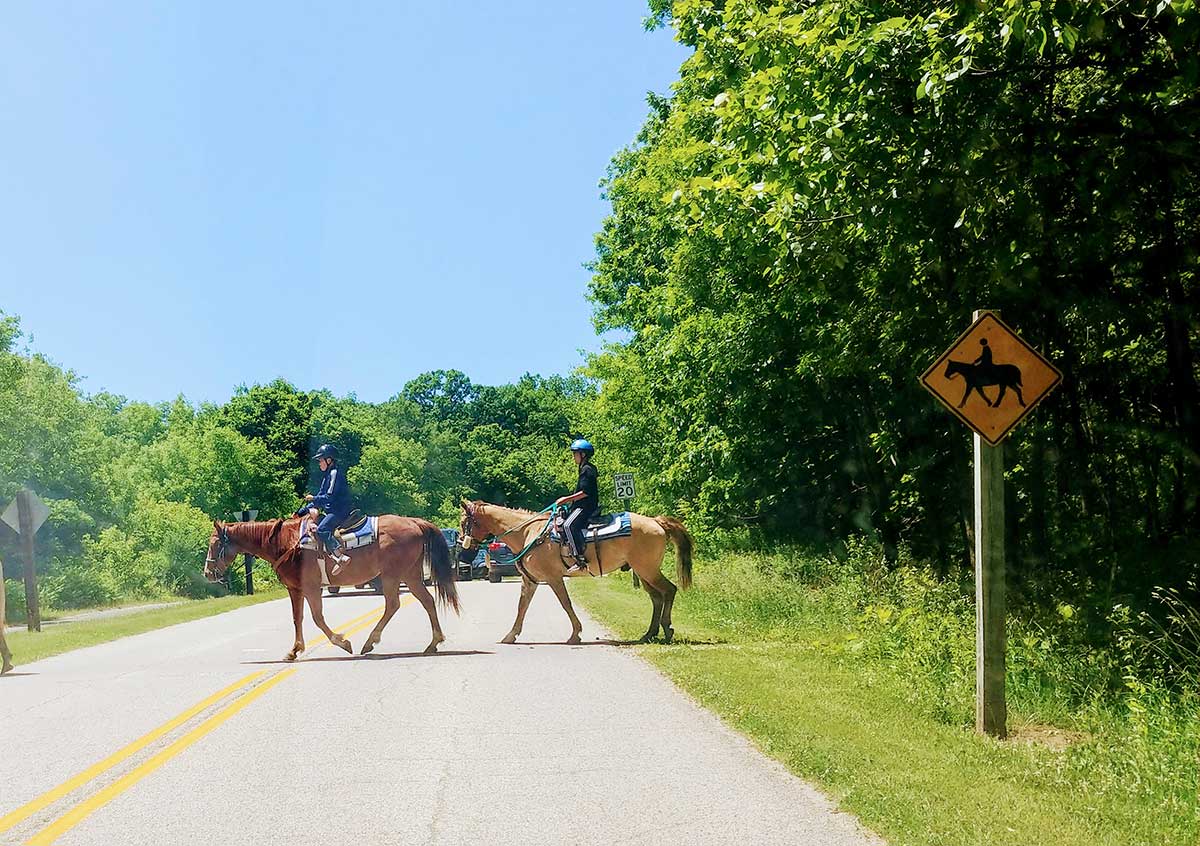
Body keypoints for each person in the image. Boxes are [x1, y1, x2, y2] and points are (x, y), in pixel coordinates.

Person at [295, 443, 352, 573]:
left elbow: (329, 497)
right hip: (332, 510)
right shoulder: (327, 475)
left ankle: (340, 556)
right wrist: (303, 510)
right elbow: (321, 497)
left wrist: (313, 498)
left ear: (329, 459)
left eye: (321, 460)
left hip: (339, 511)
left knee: (322, 529)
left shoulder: (334, 473)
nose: (319, 463)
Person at [556, 439, 599, 572]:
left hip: (585, 507)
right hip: (581, 506)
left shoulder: (587, 469)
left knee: (568, 525)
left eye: (575, 453)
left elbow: (585, 493)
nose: (573, 456)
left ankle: (579, 559)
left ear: (583, 454)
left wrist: (566, 499)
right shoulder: (584, 468)